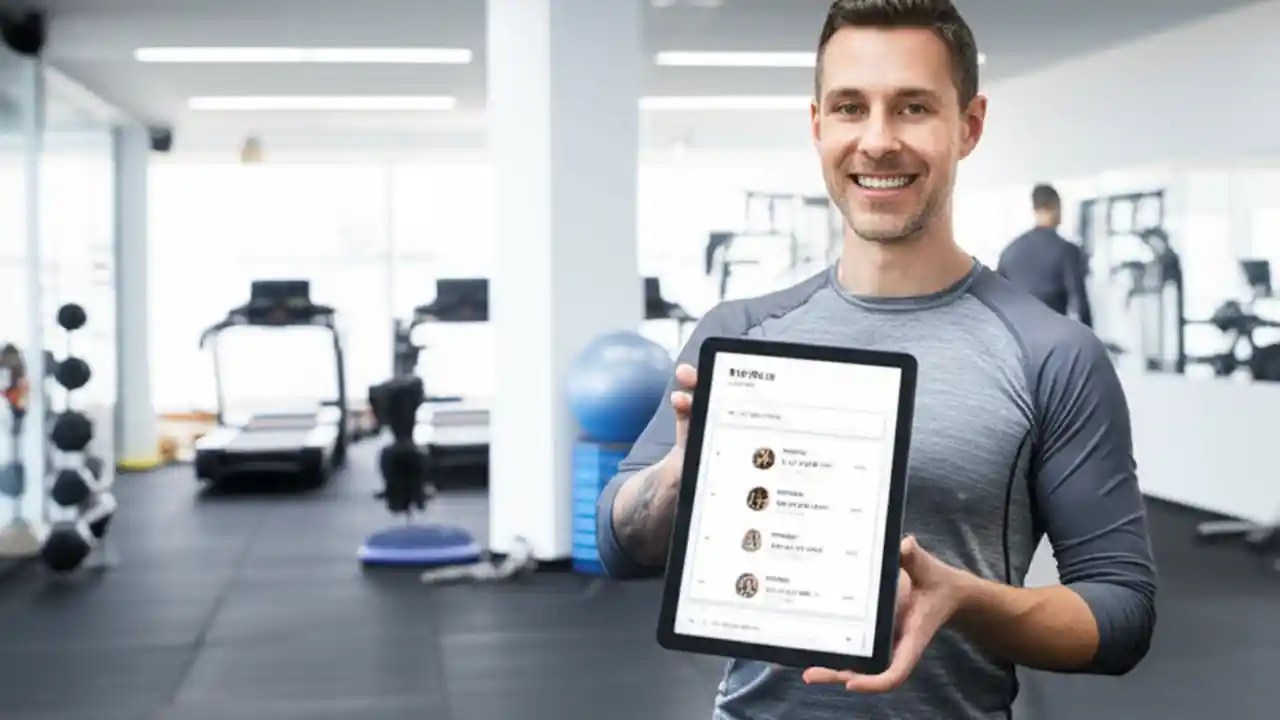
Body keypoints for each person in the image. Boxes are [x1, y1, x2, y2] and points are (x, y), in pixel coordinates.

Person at [594, 1, 1157, 719]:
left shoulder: (1053, 354)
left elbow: (1121, 614)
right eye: (851, 107)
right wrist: (679, 477)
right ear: (818, 125)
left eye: (913, 107)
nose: (879, 141)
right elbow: (618, 544)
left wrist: (963, 601)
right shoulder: (740, 332)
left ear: (969, 125)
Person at [997, 184, 1094, 327]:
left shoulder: (1009, 252)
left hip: (1019, 338)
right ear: (1055, 206)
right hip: (1054, 336)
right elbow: (1080, 305)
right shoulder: (1067, 251)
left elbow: (998, 300)